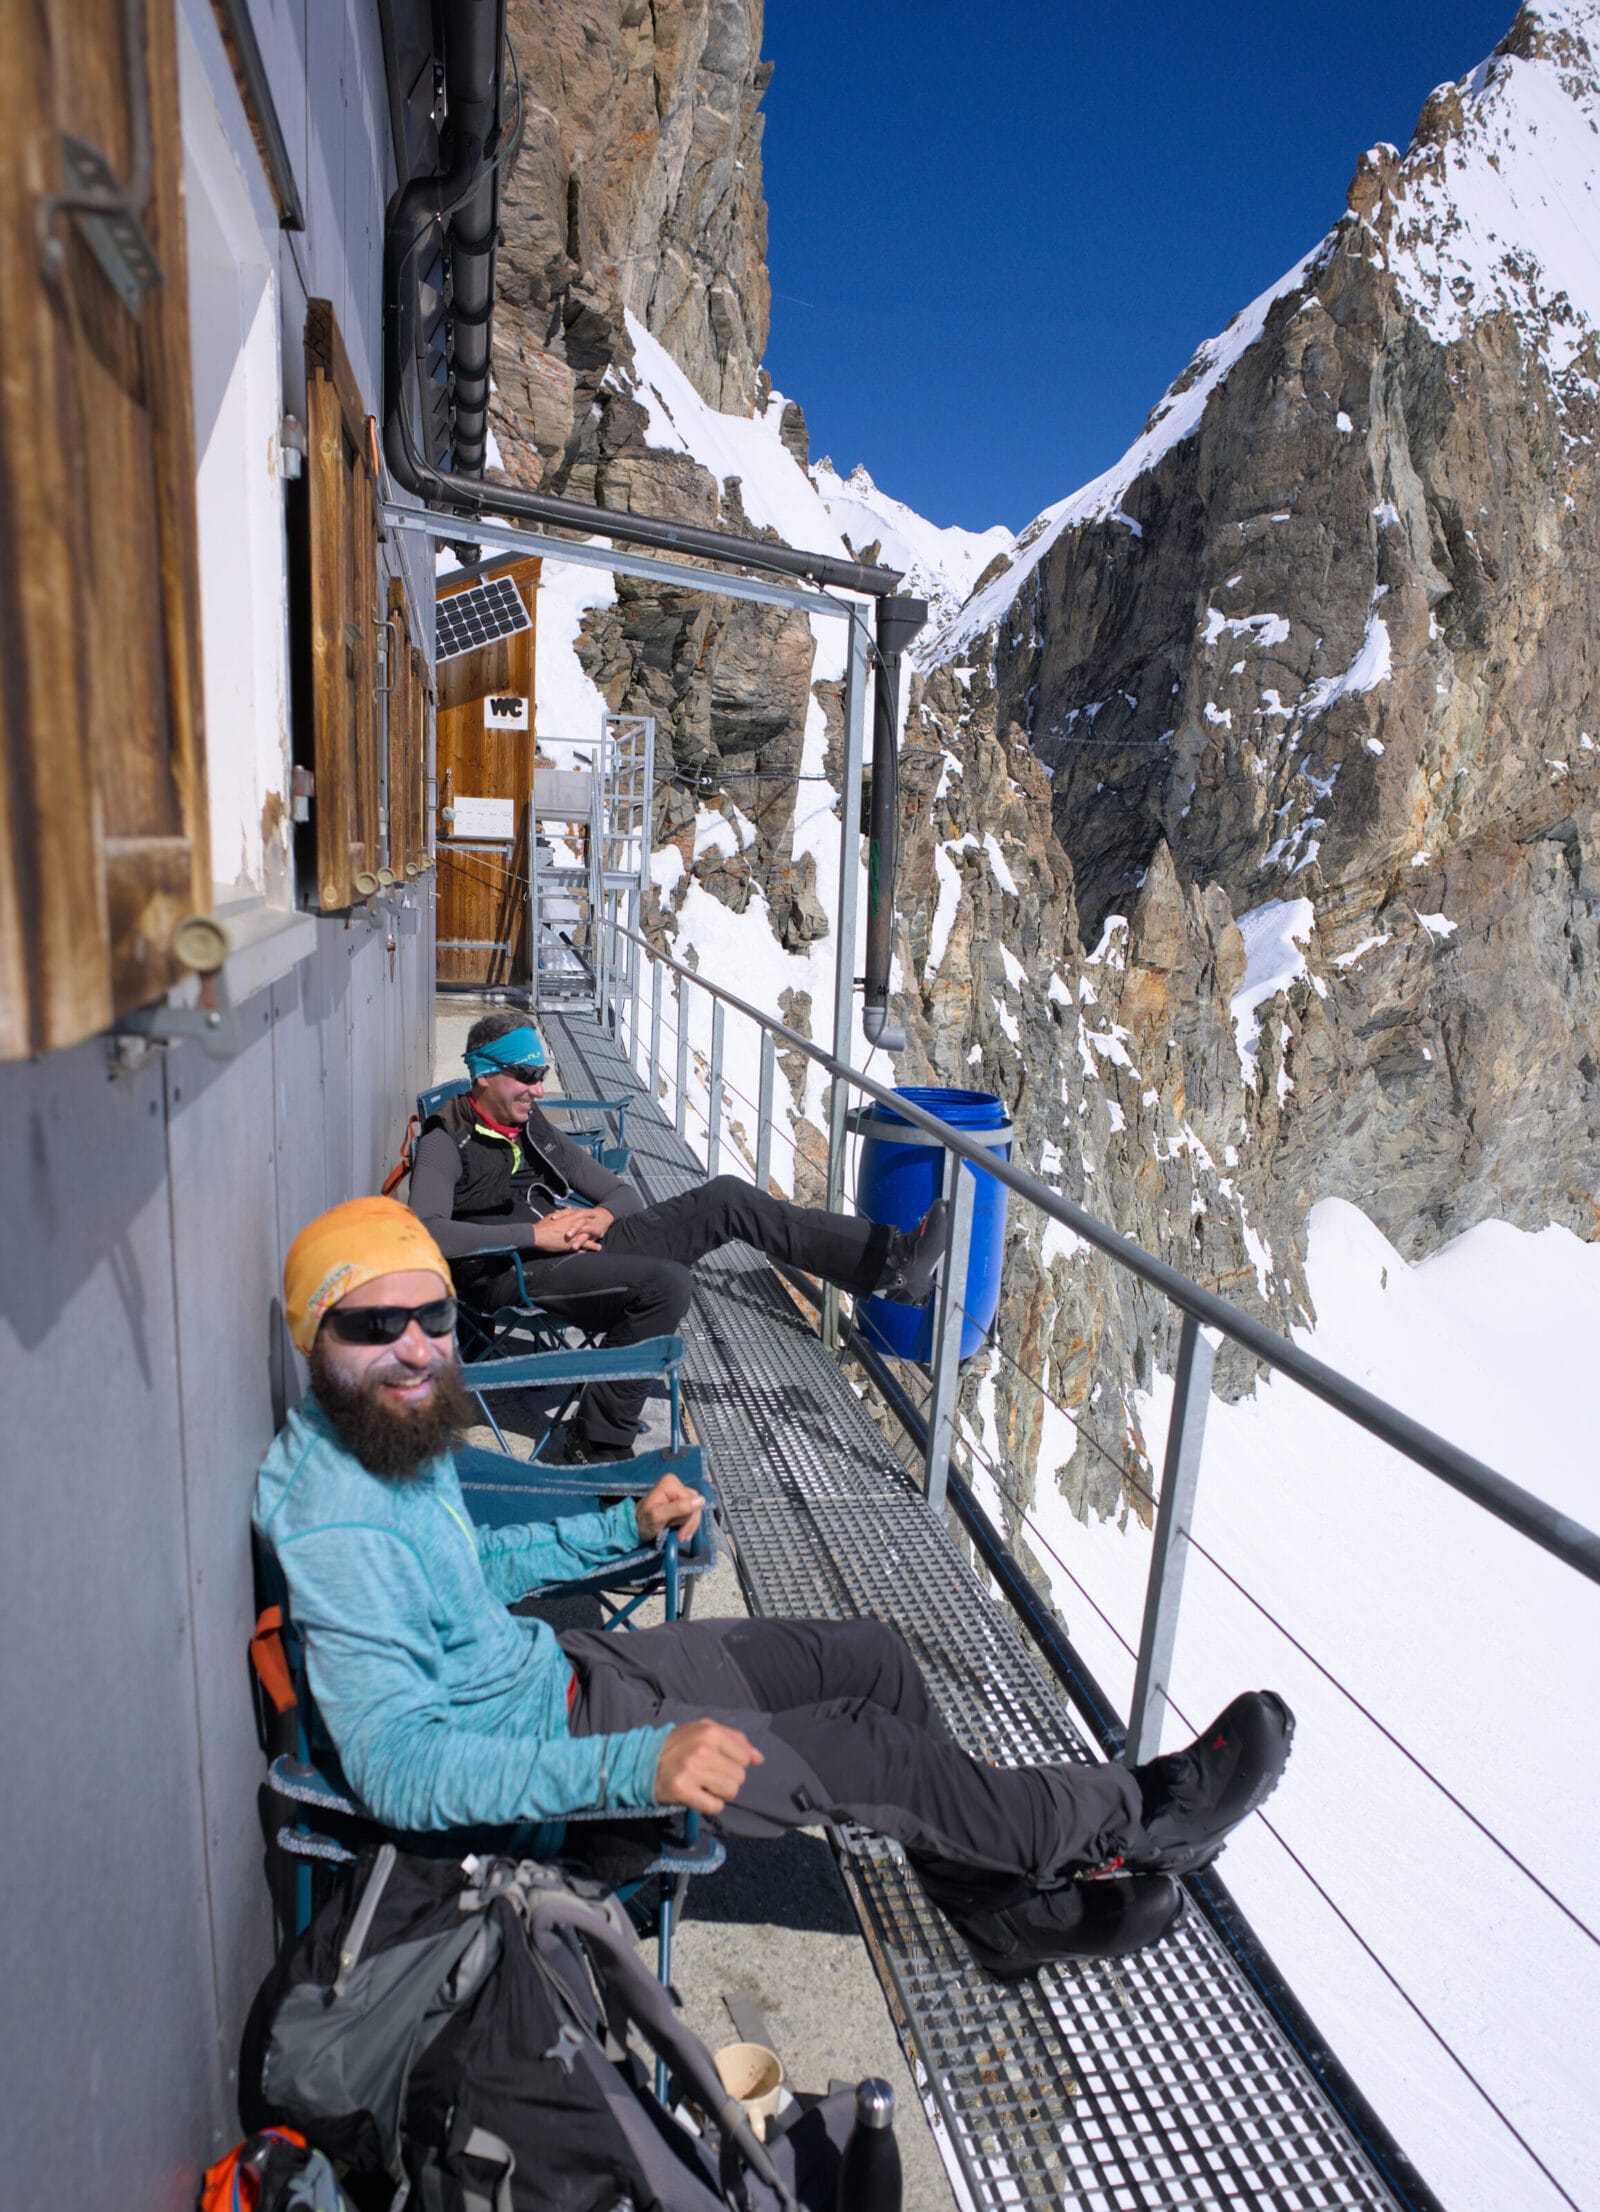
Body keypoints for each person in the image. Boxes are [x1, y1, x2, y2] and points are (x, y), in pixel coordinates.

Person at [255, 1199, 1297, 1978]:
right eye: (374, 1325)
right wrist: (639, 1762)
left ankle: (1002, 1913)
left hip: (571, 1676)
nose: (417, 1346)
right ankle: (1138, 1813)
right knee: (870, 1746)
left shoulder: (383, 1438)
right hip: (572, 1774)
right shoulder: (335, 1517)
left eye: (433, 1313)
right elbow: (401, 1774)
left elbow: (467, 1577)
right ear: (316, 1334)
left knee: (874, 1660)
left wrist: (614, 1529)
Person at [408, 1011, 952, 1462]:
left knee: (727, 1197)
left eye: (542, 1072)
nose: (539, 1087)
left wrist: (600, 1216)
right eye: (526, 1075)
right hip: (514, 1271)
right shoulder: (445, 1140)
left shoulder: (531, 1125)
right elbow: (426, 1233)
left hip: (575, 1245)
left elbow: (620, 1193)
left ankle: (889, 1264)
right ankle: (596, 1442)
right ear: (484, 1074)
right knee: (666, 1284)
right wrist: (533, 1235)